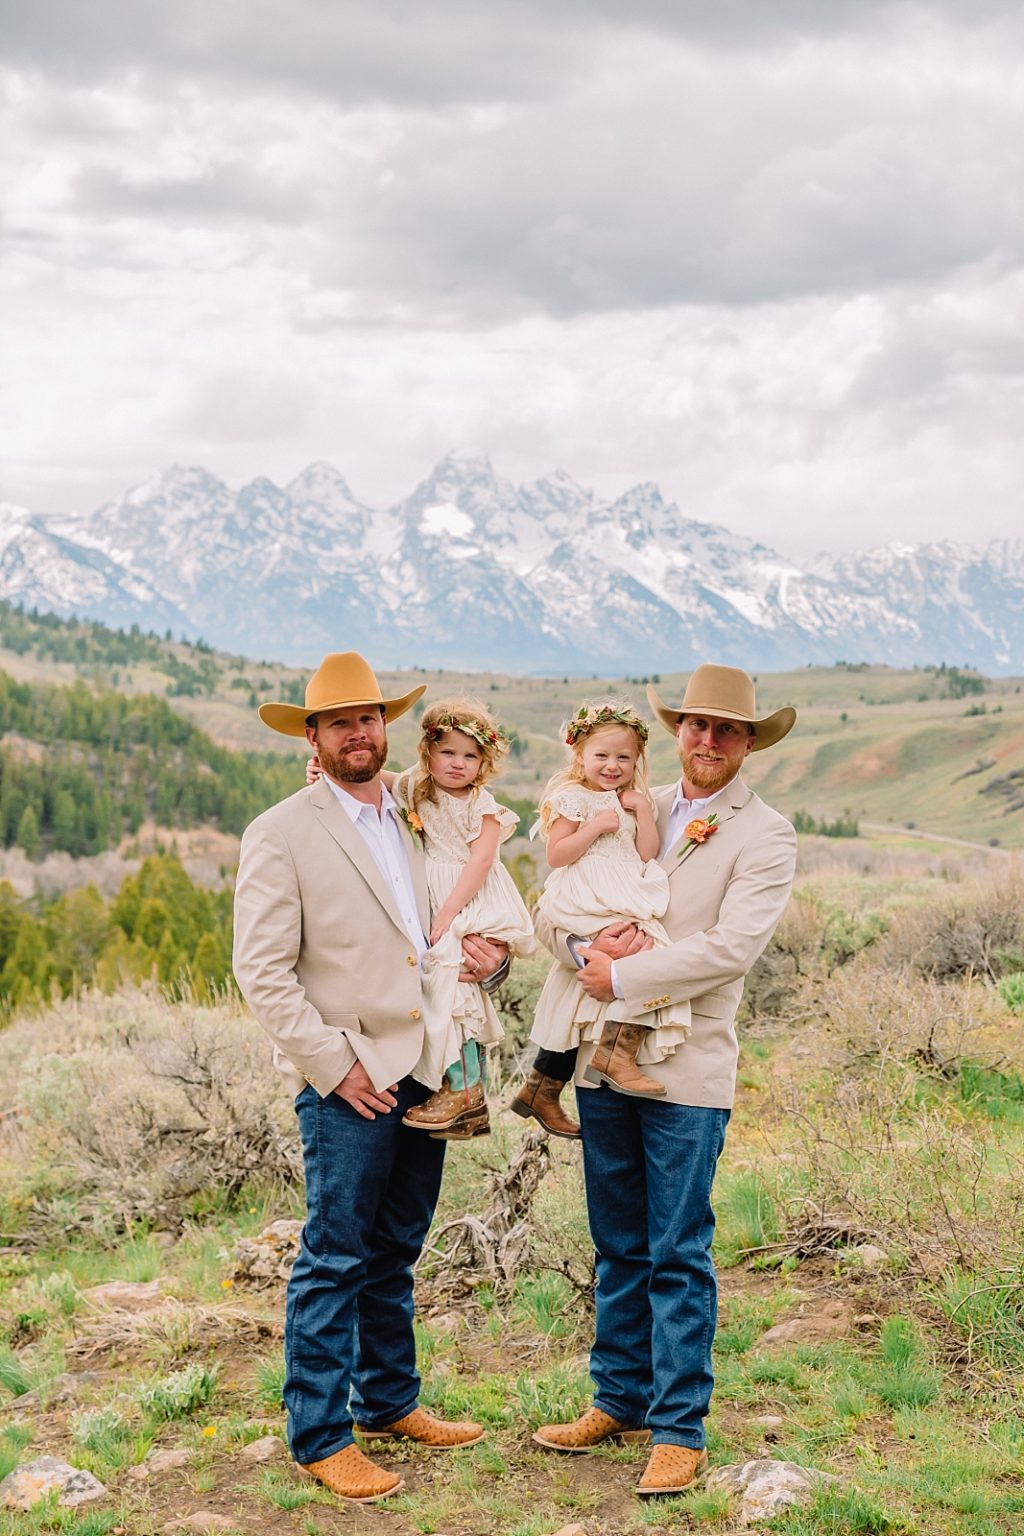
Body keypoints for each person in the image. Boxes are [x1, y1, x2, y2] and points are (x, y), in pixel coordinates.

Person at [232, 653, 509, 1504]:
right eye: (340, 720)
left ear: (386, 728)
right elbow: (263, 972)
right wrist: (334, 1064)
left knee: (395, 1247)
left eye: (370, 718)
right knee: (336, 1252)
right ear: (313, 736)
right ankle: (320, 1435)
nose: (359, 731)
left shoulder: (419, 810)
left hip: (425, 1065)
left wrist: (489, 960)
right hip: (348, 1078)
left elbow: (453, 921)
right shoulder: (279, 831)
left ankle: (388, 1403)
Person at [531, 664, 797, 1498]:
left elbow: (730, 949)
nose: (708, 740)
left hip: (686, 1070)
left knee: (678, 1248)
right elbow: (549, 900)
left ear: (749, 742)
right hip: (602, 1060)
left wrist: (624, 976)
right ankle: (620, 1399)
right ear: (676, 731)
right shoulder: (619, 800)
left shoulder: (764, 834)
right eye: (695, 725)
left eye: (727, 729)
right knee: (618, 1242)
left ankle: (680, 1428)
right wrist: (582, 956)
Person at [307, 699, 536, 1139]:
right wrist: (324, 772)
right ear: (428, 753)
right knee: (442, 986)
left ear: (483, 763)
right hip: (431, 894)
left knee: (456, 984)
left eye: (470, 756)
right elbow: (380, 780)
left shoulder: (482, 805)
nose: (458, 764)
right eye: (448, 752)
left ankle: (466, 1088)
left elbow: (483, 860)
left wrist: (449, 910)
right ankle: (459, 1089)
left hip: (466, 894)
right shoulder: (417, 787)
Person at [522, 702, 691, 1121]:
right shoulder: (572, 798)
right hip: (586, 893)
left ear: (638, 761)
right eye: (602, 756)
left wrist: (643, 814)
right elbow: (557, 855)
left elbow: (645, 853)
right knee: (629, 960)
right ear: (580, 756)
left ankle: (549, 1084)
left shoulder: (636, 799)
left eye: (623, 758)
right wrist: (594, 827)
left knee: (635, 962)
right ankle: (609, 1060)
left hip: (623, 889)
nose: (612, 766)